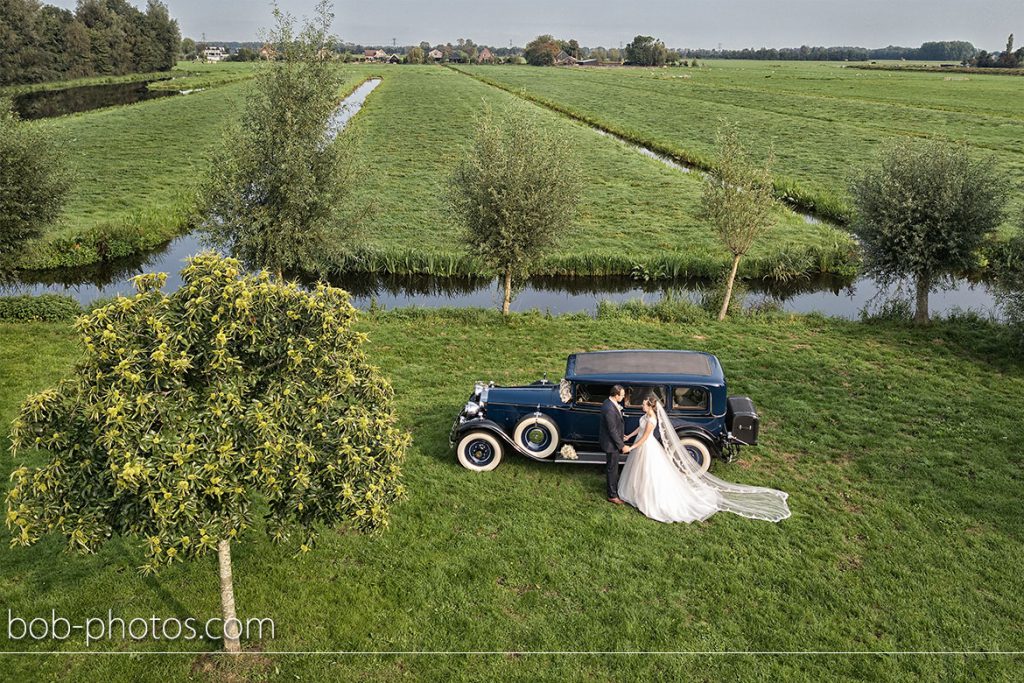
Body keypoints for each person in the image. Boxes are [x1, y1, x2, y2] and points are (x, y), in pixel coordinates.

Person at [618, 396, 790, 523]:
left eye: (643, 404)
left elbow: (645, 437)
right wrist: (628, 435)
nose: (641, 405)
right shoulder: (646, 417)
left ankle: (647, 497)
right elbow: (638, 431)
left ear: (650, 406)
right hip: (640, 444)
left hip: (646, 447)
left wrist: (631, 447)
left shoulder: (652, 420)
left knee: (649, 472)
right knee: (638, 470)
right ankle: (637, 490)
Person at [599, 385, 630, 505]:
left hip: (613, 440)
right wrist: (622, 446)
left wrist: (622, 435)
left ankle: (612, 487)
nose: (623, 397)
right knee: (612, 468)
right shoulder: (609, 409)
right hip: (611, 444)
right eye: (622, 395)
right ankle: (612, 495)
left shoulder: (609, 402)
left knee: (612, 467)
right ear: (616, 395)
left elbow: (614, 427)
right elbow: (611, 430)